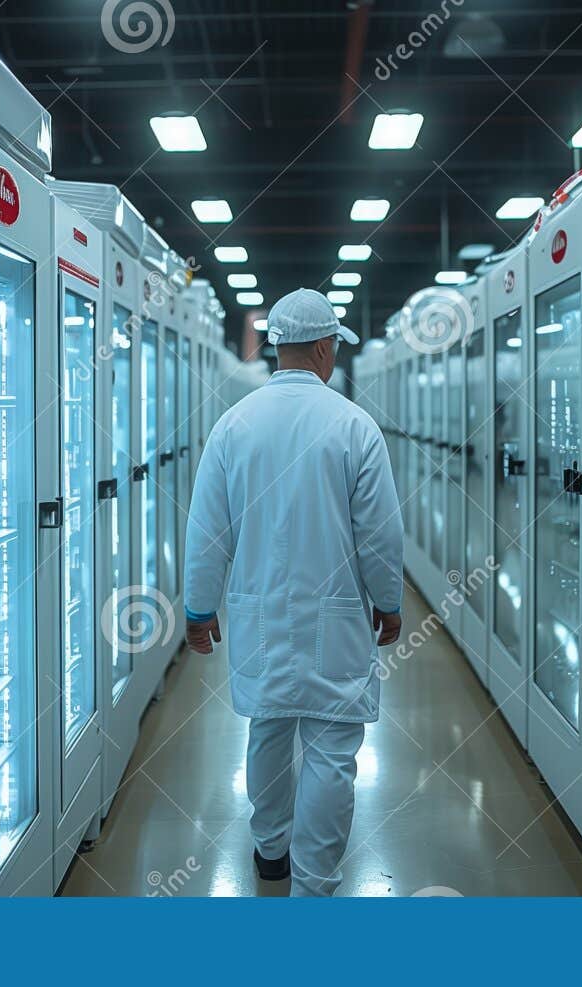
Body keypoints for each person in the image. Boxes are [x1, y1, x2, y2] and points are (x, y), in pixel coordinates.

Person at [182, 287, 404, 897]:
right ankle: (314, 882)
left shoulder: (234, 426)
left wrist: (199, 609)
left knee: (269, 730)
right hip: (336, 620)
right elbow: (380, 533)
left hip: (258, 617)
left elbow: (207, 529)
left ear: (276, 346)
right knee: (333, 752)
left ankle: (270, 850)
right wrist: (389, 602)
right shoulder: (354, 426)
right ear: (326, 347)